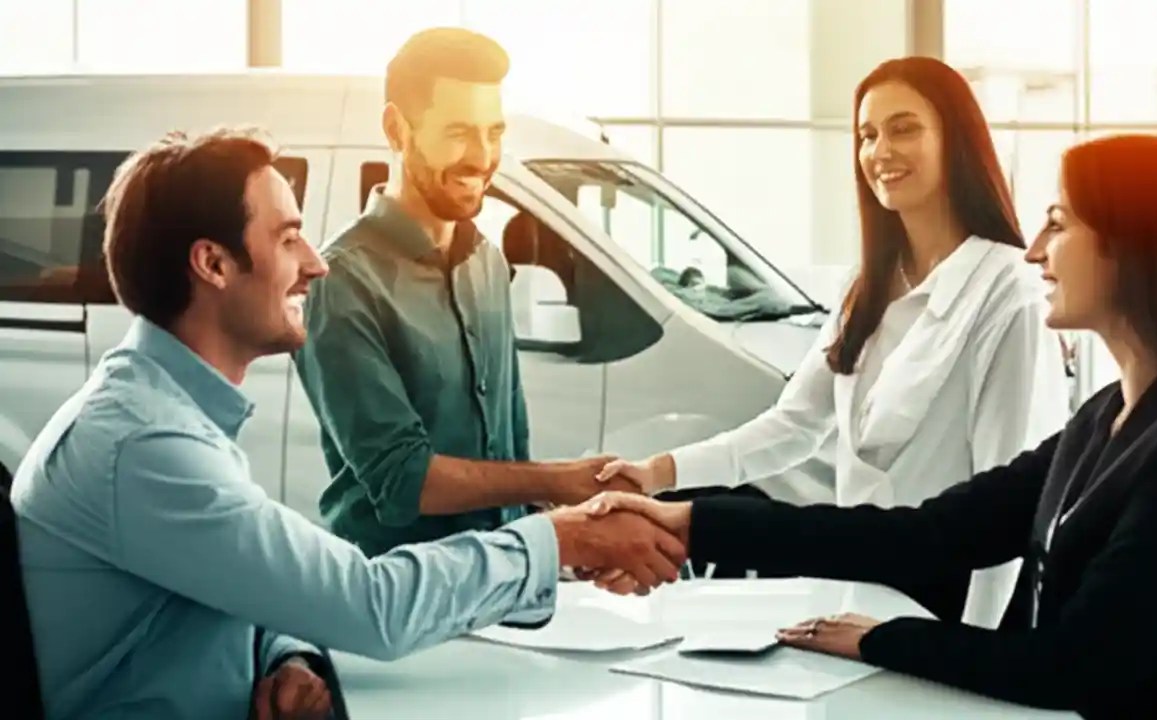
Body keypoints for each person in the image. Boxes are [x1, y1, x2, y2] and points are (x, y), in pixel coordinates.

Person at [590, 134, 1157, 718]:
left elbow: (1077, 664)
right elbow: (928, 533)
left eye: (1059, 223)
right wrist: (689, 522)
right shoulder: (1106, 417)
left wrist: (880, 639)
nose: (1035, 251)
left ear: (1134, 246)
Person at [8, 127, 684, 720]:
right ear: (213, 264)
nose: (316, 263)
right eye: (288, 238)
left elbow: (234, 582)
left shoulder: (164, 410)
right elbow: (369, 605)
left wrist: (289, 657)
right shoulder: (144, 444)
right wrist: (562, 538)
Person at [597, 56, 1070, 627]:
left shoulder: (1008, 291)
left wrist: (977, 650)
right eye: (867, 135)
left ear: (958, 142)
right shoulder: (866, 285)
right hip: (860, 595)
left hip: (952, 608)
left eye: (904, 129)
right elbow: (794, 425)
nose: (880, 151)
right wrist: (655, 473)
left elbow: (1009, 510)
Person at [293, 27, 637, 558]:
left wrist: (570, 538)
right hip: (401, 591)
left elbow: (510, 448)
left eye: (494, 132)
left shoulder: (487, 263)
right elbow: (403, 480)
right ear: (397, 130)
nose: (482, 157)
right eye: (458, 132)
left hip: (505, 576)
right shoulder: (340, 282)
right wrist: (560, 480)